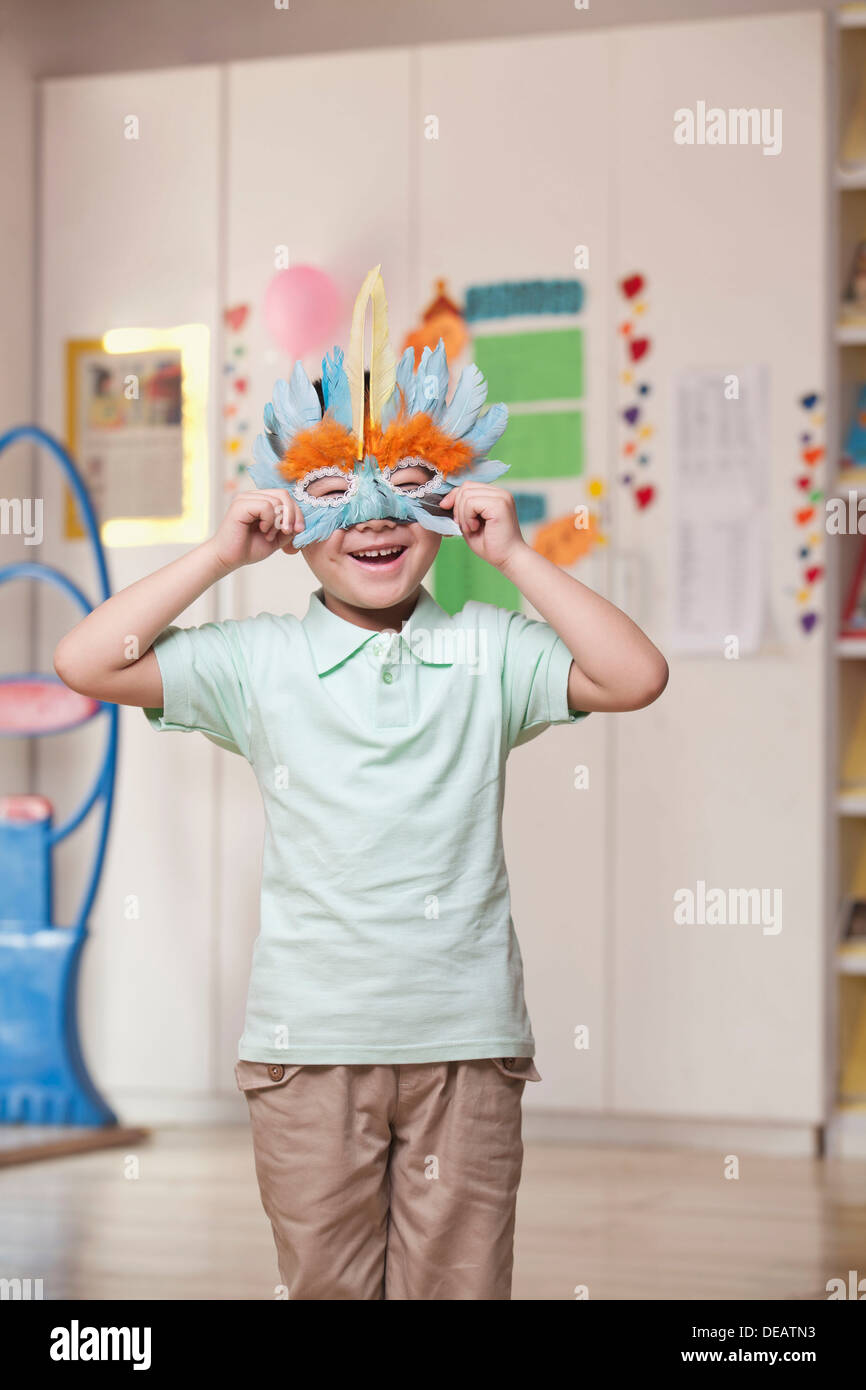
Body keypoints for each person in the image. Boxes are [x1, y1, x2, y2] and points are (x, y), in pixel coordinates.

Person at [54, 266, 668, 1301]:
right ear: (291, 518)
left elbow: (633, 675)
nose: (373, 519)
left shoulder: (487, 652)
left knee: (458, 1288)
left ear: (450, 505)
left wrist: (515, 556)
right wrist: (215, 554)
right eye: (335, 492)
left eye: (408, 488)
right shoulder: (255, 662)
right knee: (327, 1289)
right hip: (306, 1046)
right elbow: (88, 659)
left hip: (464, 1045)